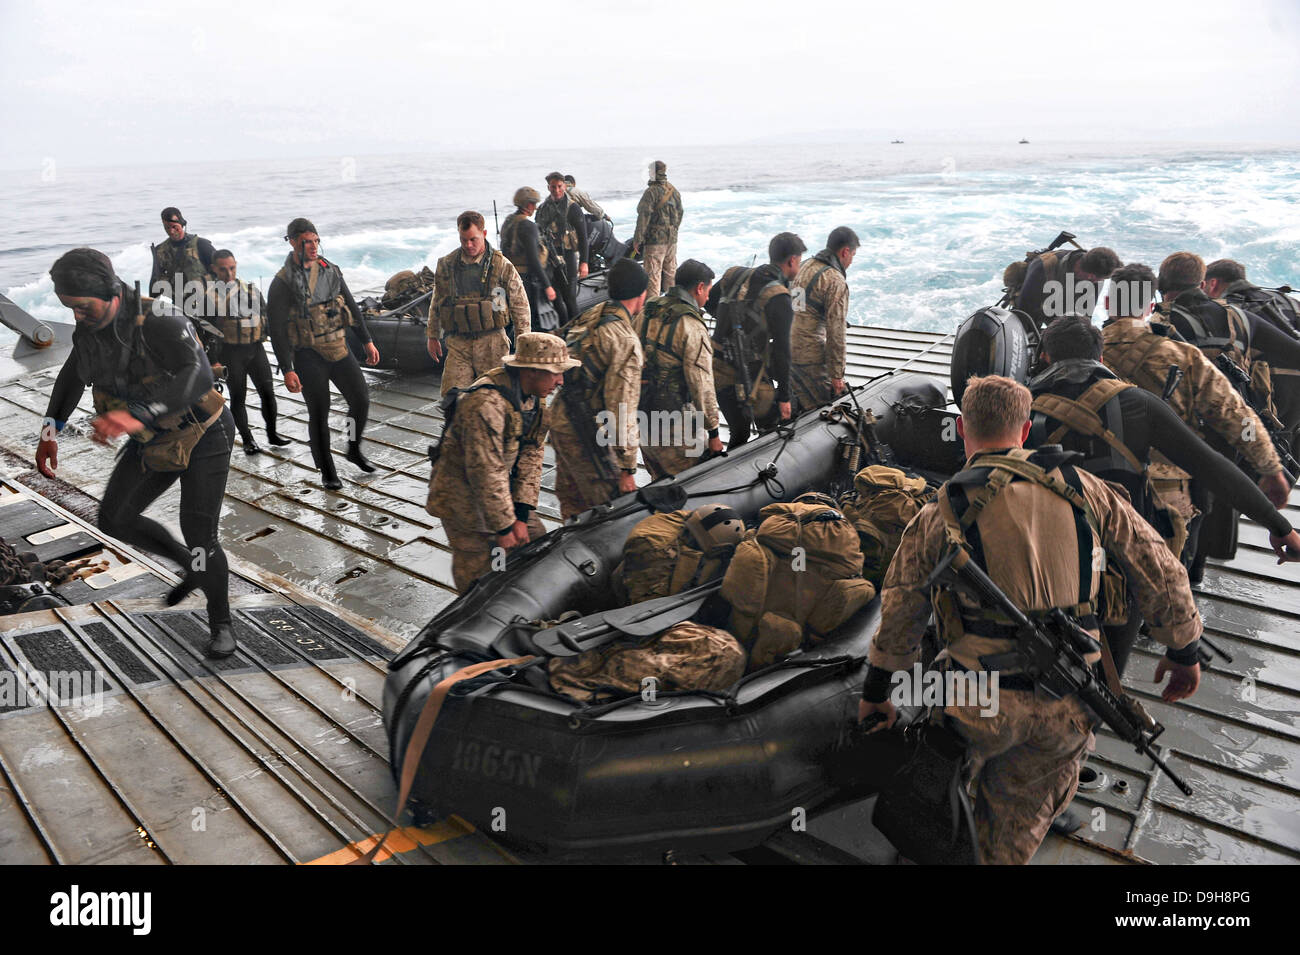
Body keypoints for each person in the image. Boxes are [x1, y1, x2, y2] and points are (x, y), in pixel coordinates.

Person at [859, 374, 1203, 865]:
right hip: (1070, 700)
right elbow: (1160, 569)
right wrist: (1184, 651)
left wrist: (876, 695)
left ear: (960, 429)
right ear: (1026, 432)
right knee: (1012, 838)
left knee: (934, 802)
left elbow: (901, 611)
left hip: (974, 702)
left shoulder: (942, 510)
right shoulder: (1089, 490)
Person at [1029, 316, 1300, 674]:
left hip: (1038, 554)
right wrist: (1278, 524)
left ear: (1045, 357)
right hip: (1121, 563)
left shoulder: (1020, 402)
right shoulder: (1137, 403)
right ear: (1100, 356)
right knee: (1106, 678)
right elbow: (1210, 465)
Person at [36, 248, 238, 657]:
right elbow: (72, 375)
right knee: (114, 517)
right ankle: (191, 567)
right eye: (68, 309)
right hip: (152, 440)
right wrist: (49, 430)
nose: (77, 316)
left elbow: (197, 373)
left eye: (82, 307)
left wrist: (137, 413)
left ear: (110, 291)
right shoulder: (87, 331)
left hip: (203, 432)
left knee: (201, 534)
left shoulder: (160, 318)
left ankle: (222, 622)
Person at [1100, 263, 1291, 578]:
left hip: (1096, 489)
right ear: (1151, 306)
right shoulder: (1184, 356)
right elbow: (1236, 417)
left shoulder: (1085, 348)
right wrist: (1269, 468)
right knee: (1171, 580)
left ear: (1108, 303)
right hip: (1165, 500)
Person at [425, 332, 576, 593]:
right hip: (462, 500)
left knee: (538, 545)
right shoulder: (486, 403)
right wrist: (505, 528)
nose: (560, 380)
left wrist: (520, 513)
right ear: (531, 371)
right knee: (479, 576)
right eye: (555, 372)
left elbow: (532, 452)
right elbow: (486, 470)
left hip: (498, 492)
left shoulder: (534, 399)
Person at [266, 217, 380, 491]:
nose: (314, 246)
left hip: (338, 347)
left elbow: (351, 305)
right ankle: (327, 470)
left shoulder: (331, 269)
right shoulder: (282, 283)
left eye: (316, 240)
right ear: (293, 242)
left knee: (360, 400)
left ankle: (353, 447)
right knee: (320, 412)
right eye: (307, 242)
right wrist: (288, 367)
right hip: (308, 355)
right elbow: (278, 330)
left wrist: (367, 341)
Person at [549, 258, 648, 519]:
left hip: (561, 417)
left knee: (573, 504)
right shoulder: (625, 340)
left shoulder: (593, 313)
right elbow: (622, 409)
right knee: (609, 512)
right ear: (642, 296)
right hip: (587, 434)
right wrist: (627, 469)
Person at [709, 232, 804, 448]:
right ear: (792, 260)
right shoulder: (780, 297)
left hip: (718, 370)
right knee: (770, 431)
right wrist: (784, 397)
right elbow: (783, 352)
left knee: (739, 433)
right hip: (751, 378)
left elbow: (710, 301)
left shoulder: (734, 274)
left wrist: (732, 328)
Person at [635, 258, 723, 478]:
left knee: (657, 482)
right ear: (699, 287)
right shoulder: (692, 325)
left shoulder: (648, 309)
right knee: (687, 486)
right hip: (676, 426)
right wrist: (713, 432)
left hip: (643, 417)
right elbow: (701, 384)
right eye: (708, 291)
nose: (708, 297)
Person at [427, 211, 531, 395]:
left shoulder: (502, 265)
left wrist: (522, 346)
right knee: (451, 398)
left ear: (484, 234)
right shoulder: (447, 265)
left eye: (473, 239)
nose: (468, 245)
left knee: (496, 398)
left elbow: (520, 305)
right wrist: (432, 335)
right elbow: (438, 301)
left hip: (493, 343)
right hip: (459, 344)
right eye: (463, 239)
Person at [204, 250, 291, 455]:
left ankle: (272, 433)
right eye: (223, 269)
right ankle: (247, 440)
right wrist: (213, 361)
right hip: (230, 353)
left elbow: (267, 318)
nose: (229, 273)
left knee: (268, 393)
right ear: (214, 269)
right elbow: (205, 332)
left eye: (232, 268)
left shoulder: (250, 290)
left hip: (255, 349)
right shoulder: (209, 297)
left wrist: (286, 350)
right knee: (238, 397)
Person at [790, 226, 859, 410]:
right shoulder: (835, 280)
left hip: (790, 352)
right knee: (824, 412)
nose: (851, 261)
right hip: (811, 360)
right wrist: (837, 376)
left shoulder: (804, 266)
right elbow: (836, 332)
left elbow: (797, 307)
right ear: (845, 252)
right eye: (853, 255)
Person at [499, 189, 564, 330]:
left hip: (509, 277)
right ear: (527, 205)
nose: (535, 207)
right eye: (533, 204)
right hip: (527, 280)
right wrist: (548, 286)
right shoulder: (528, 226)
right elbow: (534, 260)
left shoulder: (508, 222)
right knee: (532, 318)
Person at [1016, 245, 1121, 328]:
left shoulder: (1095, 280)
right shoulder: (1044, 266)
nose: (1101, 281)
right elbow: (1025, 312)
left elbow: (1083, 319)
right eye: (1102, 279)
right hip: (1034, 306)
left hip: (1062, 310)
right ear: (1091, 276)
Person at [536, 172, 590, 320]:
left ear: (565, 186)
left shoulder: (573, 208)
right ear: (548, 188)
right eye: (553, 187)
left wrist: (584, 262)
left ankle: (576, 330)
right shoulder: (542, 209)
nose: (557, 190)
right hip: (550, 259)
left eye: (559, 186)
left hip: (568, 257)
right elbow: (538, 233)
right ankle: (564, 330)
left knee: (570, 299)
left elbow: (583, 237)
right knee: (557, 300)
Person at [631, 160, 683, 298]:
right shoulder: (674, 191)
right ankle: (673, 304)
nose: (648, 174)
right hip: (672, 240)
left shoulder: (651, 192)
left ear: (654, 173)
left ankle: (653, 310)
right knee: (671, 273)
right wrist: (673, 230)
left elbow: (643, 216)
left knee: (653, 276)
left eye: (649, 171)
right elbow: (680, 212)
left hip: (655, 242)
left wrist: (637, 239)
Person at [150, 207, 217, 304]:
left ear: (182, 224)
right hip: (180, 304)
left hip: (207, 300)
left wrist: (201, 282)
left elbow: (220, 270)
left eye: (174, 227)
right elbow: (155, 281)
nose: (171, 231)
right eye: (167, 228)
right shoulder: (161, 251)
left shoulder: (201, 245)